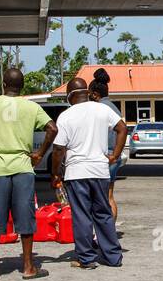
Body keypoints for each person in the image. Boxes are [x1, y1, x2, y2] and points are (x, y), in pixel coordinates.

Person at [0, 66, 57, 280]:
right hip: (23, 165)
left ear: (3, 85)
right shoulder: (31, 107)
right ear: (22, 86)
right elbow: (52, 128)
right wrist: (39, 153)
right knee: (25, 216)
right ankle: (28, 267)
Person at [51, 77, 127, 270]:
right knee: (103, 213)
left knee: (82, 215)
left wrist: (55, 174)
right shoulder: (102, 109)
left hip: (77, 172)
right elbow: (122, 128)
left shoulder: (66, 116)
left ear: (70, 95)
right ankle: (113, 257)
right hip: (100, 171)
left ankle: (87, 258)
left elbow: (59, 149)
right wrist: (115, 155)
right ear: (86, 92)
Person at [92, 68, 121, 226]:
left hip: (104, 157)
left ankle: (101, 232)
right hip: (114, 157)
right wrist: (116, 155)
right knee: (109, 196)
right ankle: (111, 231)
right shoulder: (114, 108)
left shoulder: (98, 109)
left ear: (95, 94)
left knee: (98, 198)